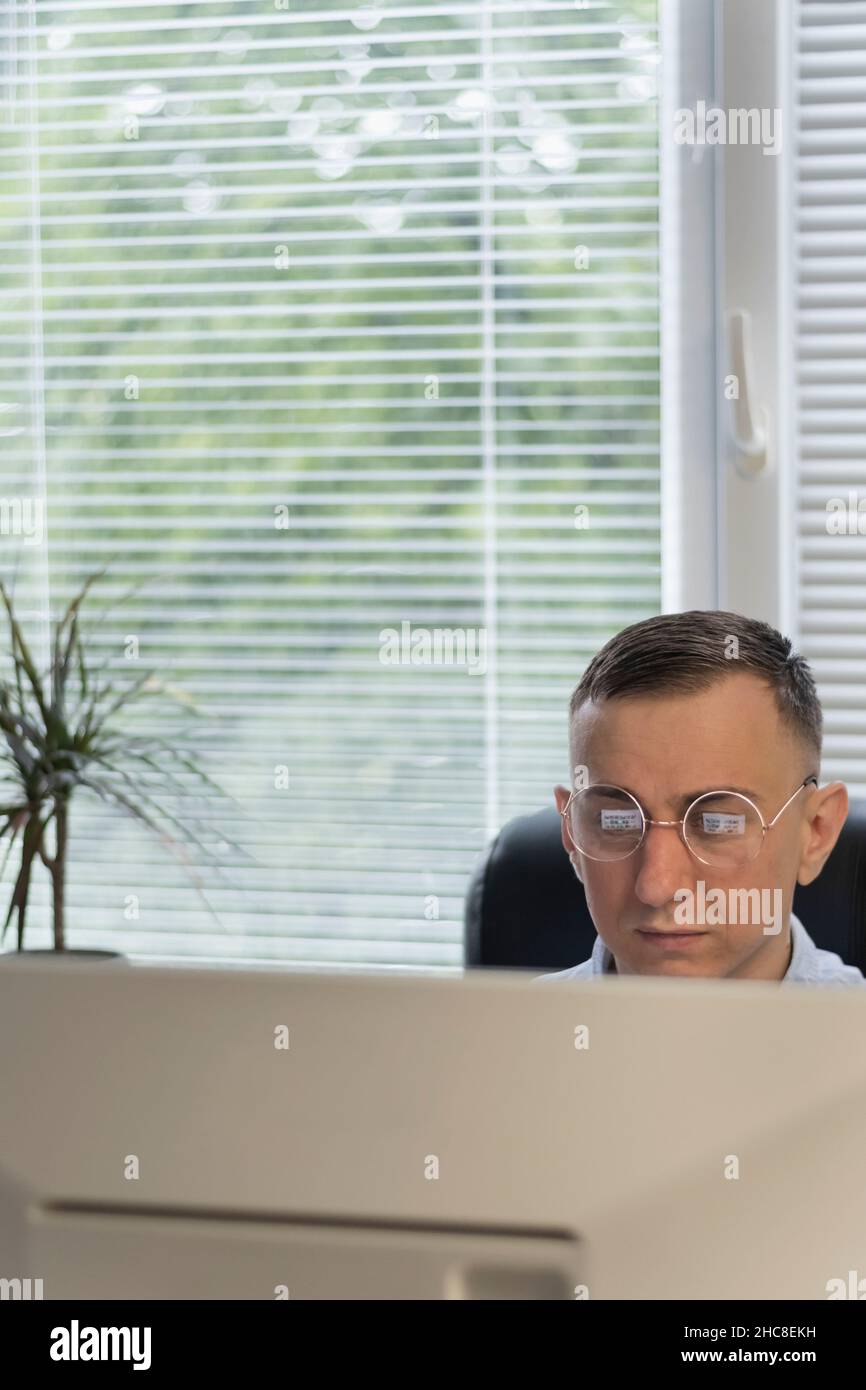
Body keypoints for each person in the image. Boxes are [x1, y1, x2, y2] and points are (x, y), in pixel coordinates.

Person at [539, 611, 864, 983]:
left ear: (816, 833)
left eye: (717, 824)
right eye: (617, 821)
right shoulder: (503, 1038)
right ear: (572, 835)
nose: (656, 887)